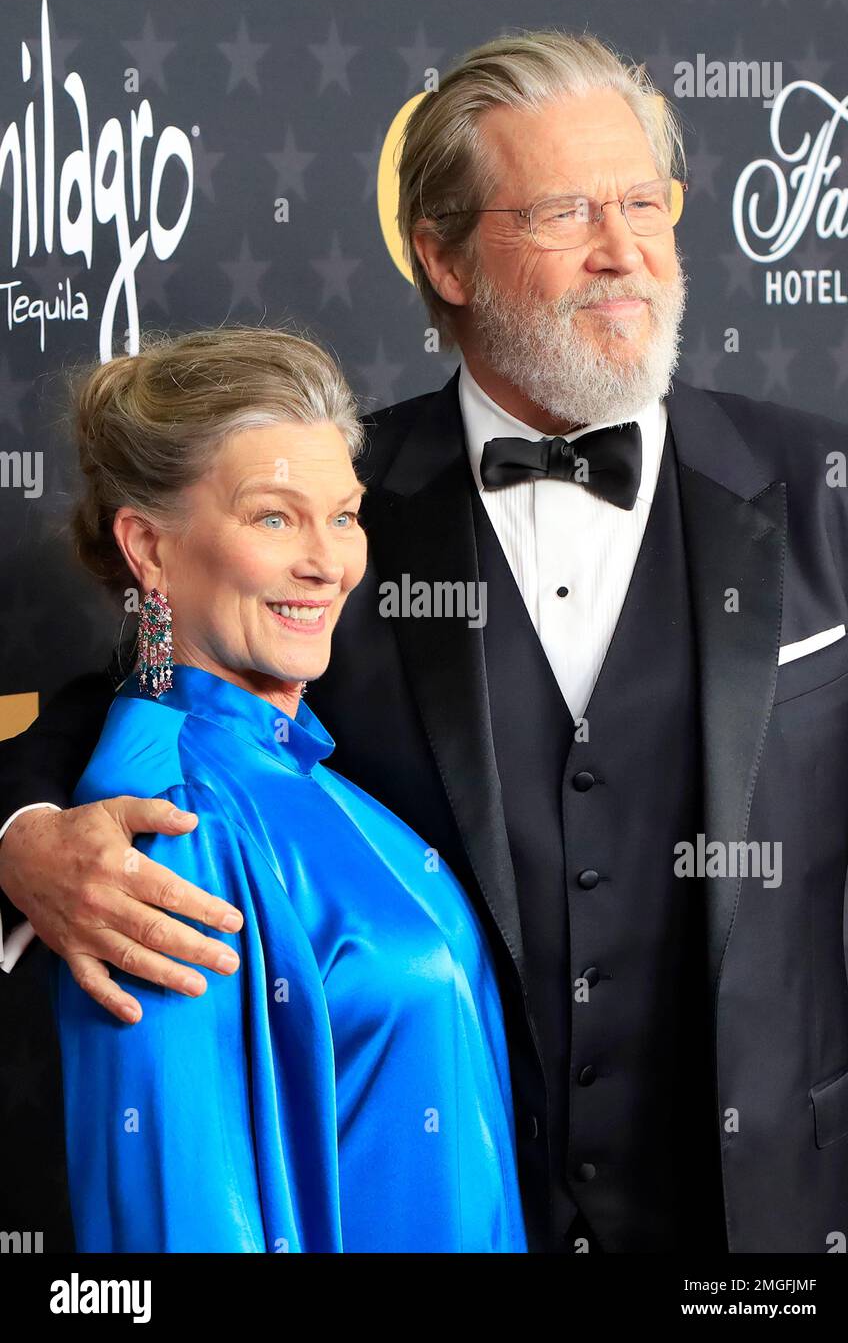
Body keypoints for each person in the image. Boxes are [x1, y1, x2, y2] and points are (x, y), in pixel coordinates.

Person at [2, 28, 848, 1255]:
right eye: (566, 211)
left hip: (776, 1226)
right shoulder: (336, 511)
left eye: (642, 203)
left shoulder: (826, 490)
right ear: (443, 257)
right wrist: (25, 834)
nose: (624, 252)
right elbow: (143, 705)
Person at [31, 326, 529, 1253]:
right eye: (273, 517)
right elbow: (176, 1228)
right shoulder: (165, 822)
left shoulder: (312, 778)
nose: (327, 562)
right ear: (149, 547)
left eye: (343, 516)